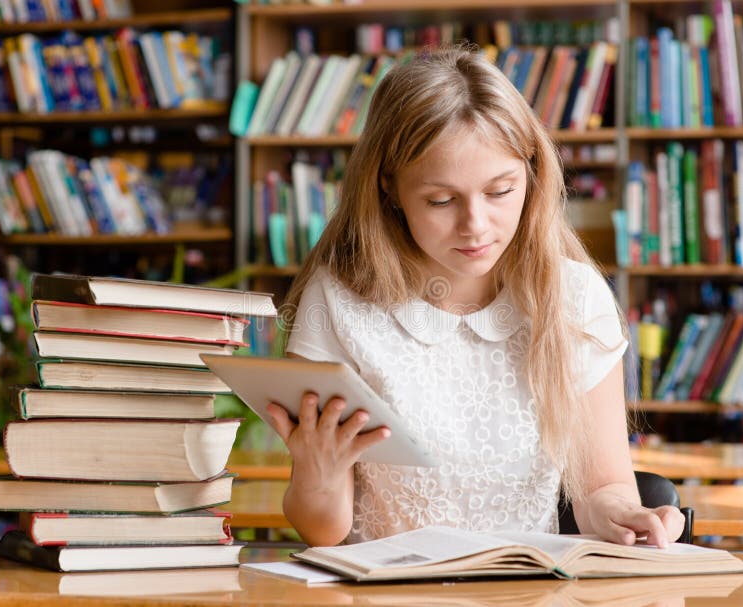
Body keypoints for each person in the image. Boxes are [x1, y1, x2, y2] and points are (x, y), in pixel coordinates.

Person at [266, 45, 685, 548]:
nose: (476, 226)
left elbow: (602, 489)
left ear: (531, 173)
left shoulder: (573, 298)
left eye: (501, 191)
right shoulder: (336, 302)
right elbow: (321, 531)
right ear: (389, 188)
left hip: (526, 591)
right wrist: (317, 474)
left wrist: (622, 512)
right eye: (440, 200)